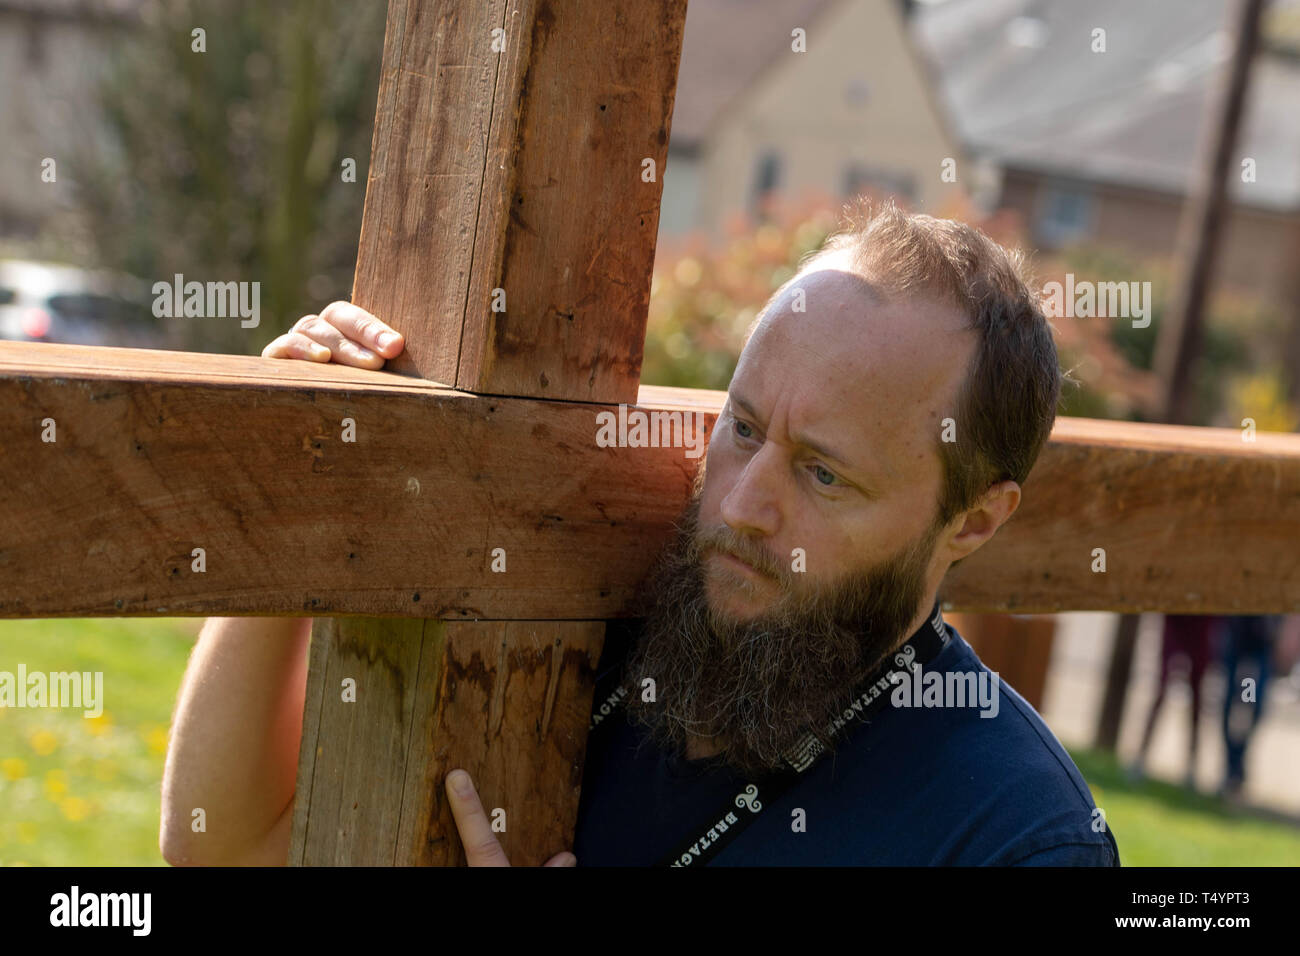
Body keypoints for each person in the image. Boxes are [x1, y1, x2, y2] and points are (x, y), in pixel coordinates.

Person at [160, 199, 1120, 866]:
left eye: (826, 474)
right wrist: (310, 488)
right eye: (742, 428)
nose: (742, 505)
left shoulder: (1016, 837)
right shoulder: (588, 623)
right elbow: (223, 844)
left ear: (976, 518)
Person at [1127, 614, 1217, 790]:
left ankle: (1191, 768)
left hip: (1203, 623)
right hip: (1176, 620)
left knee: (1197, 700)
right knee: (1161, 689)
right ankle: (1139, 758)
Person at [1218, 614, 1279, 804]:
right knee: (1234, 705)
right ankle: (1232, 765)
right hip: (1237, 639)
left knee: (1249, 704)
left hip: (1259, 644)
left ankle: (1237, 762)